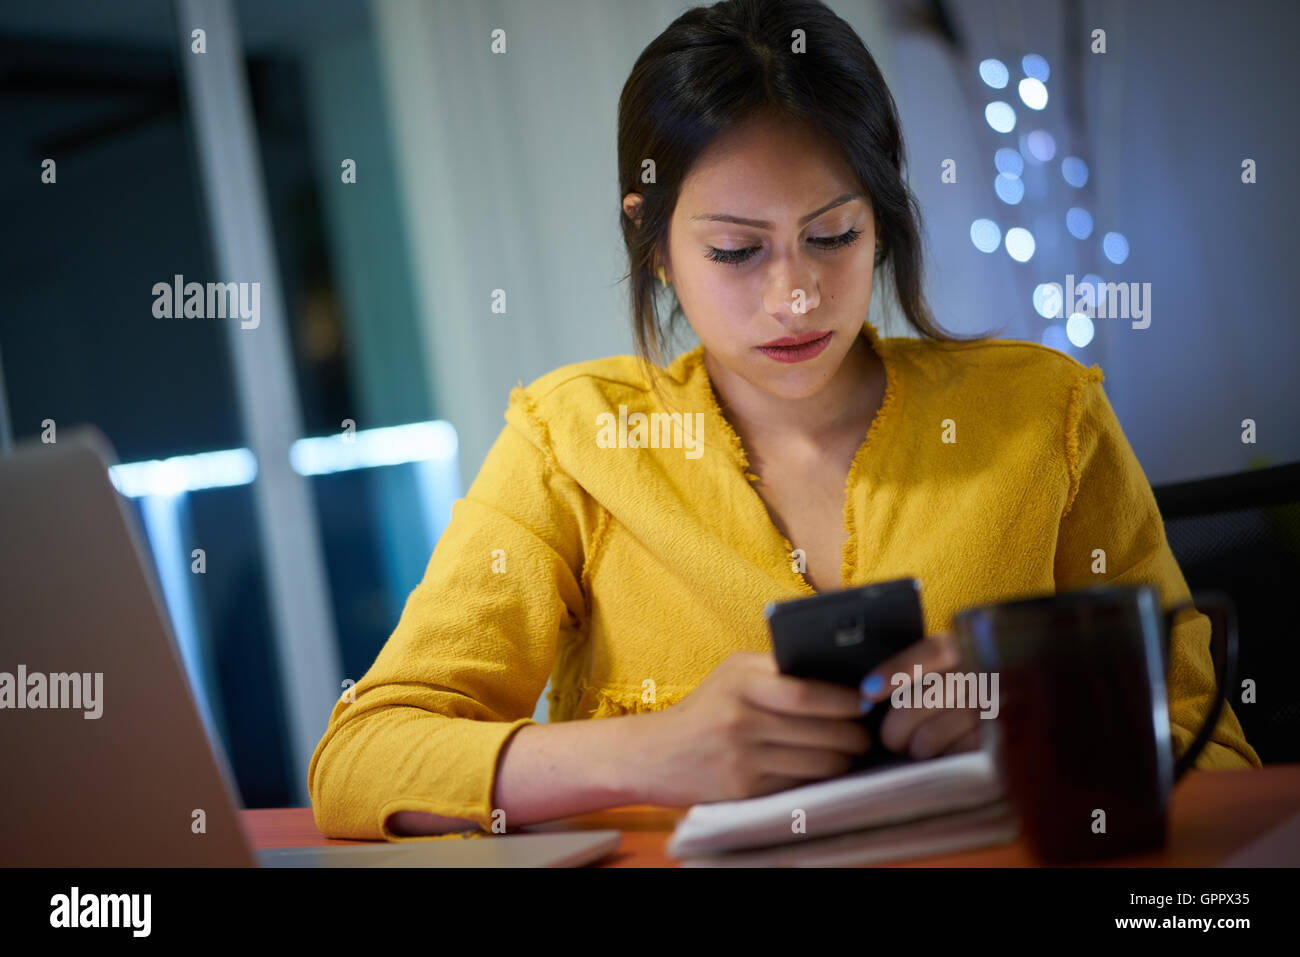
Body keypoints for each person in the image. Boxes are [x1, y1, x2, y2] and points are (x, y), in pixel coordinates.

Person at [308, 0, 1259, 841]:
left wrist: (1033, 723)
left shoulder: (1043, 413)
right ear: (655, 243)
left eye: (833, 236)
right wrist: (646, 752)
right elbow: (359, 762)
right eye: (735, 251)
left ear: (882, 215)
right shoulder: (572, 440)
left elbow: (1215, 752)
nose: (797, 296)